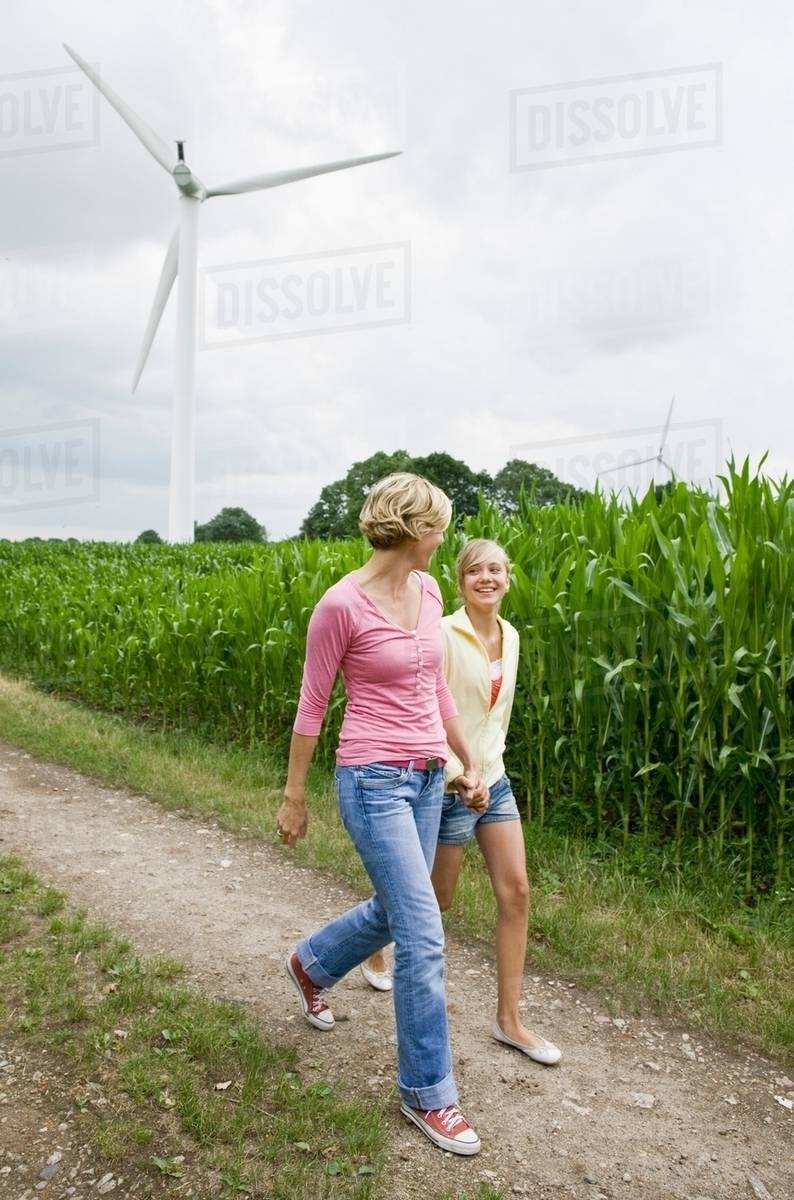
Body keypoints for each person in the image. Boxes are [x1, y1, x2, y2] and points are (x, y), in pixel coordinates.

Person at [276, 474, 489, 1156]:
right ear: (413, 529)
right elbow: (312, 705)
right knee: (422, 932)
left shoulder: (428, 591)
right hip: (371, 781)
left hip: (427, 776)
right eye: (439, 527)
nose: (444, 539)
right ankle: (427, 1094)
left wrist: (467, 758)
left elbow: (434, 688)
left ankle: (311, 964)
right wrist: (294, 795)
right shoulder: (340, 606)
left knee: (398, 911)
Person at [362, 538, 562, 1066]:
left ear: (509, 578)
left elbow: (497, 719)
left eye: (495, 569)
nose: (486, 578)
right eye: (475, 571)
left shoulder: (512, 636)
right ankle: (371, 942)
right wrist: (459, 776)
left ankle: (509, 1020)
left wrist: (485, 773)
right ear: (460, 581)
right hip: (447, 781)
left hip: (493, 779)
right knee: (436, 899)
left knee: (516, 891)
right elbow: (426, 709)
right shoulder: (443, 634)